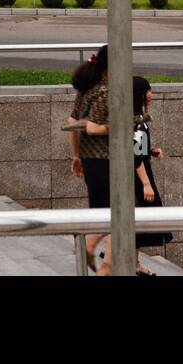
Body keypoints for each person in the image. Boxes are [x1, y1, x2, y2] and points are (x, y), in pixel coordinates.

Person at [65, 46, 111, 275]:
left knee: (102, 208)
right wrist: (117, 126)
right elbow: (92, 127)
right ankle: (90, 245)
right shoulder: (104, 91)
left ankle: (110, 262)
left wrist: (76, 155)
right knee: (116, 210)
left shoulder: (85, 90)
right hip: (106, 159)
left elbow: (72, 122)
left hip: (91, 159)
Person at [132, 75, 172, 275]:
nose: (151, 95)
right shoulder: (139, 123)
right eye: (148, 91)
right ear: (140, 94)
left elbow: (138, 150)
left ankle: (133, 263)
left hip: (138, 173)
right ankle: (128, 262)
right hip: (139, 177)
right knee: (139, 220)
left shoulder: (136, 119)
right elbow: (136, 157)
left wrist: (151, 150)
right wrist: (146, 184)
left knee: (138, 221)